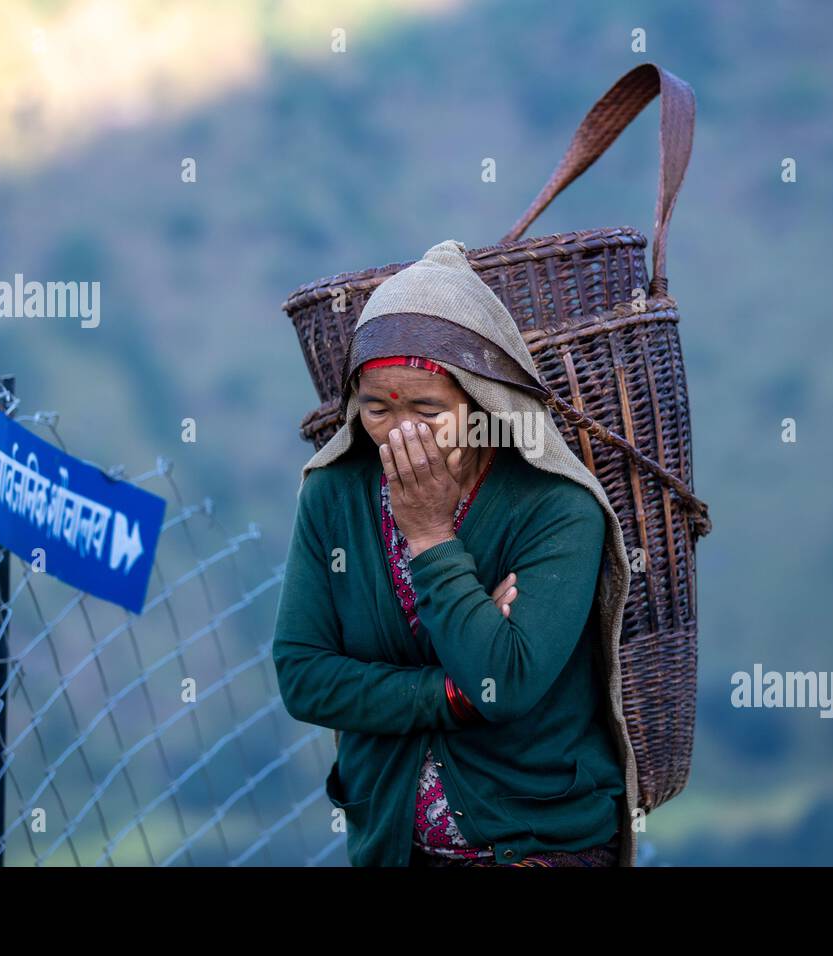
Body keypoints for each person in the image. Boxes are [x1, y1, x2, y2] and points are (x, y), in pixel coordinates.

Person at [272, 238, 639, 867]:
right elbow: (304, 678)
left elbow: (507, 684)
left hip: (540, 845)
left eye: (427, 407)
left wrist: (430, 538)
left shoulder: (555, 509)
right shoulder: (333, 496)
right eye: (377, 408)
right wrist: (451, 695)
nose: (402, 430)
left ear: (481, 404)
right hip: (393, 846)